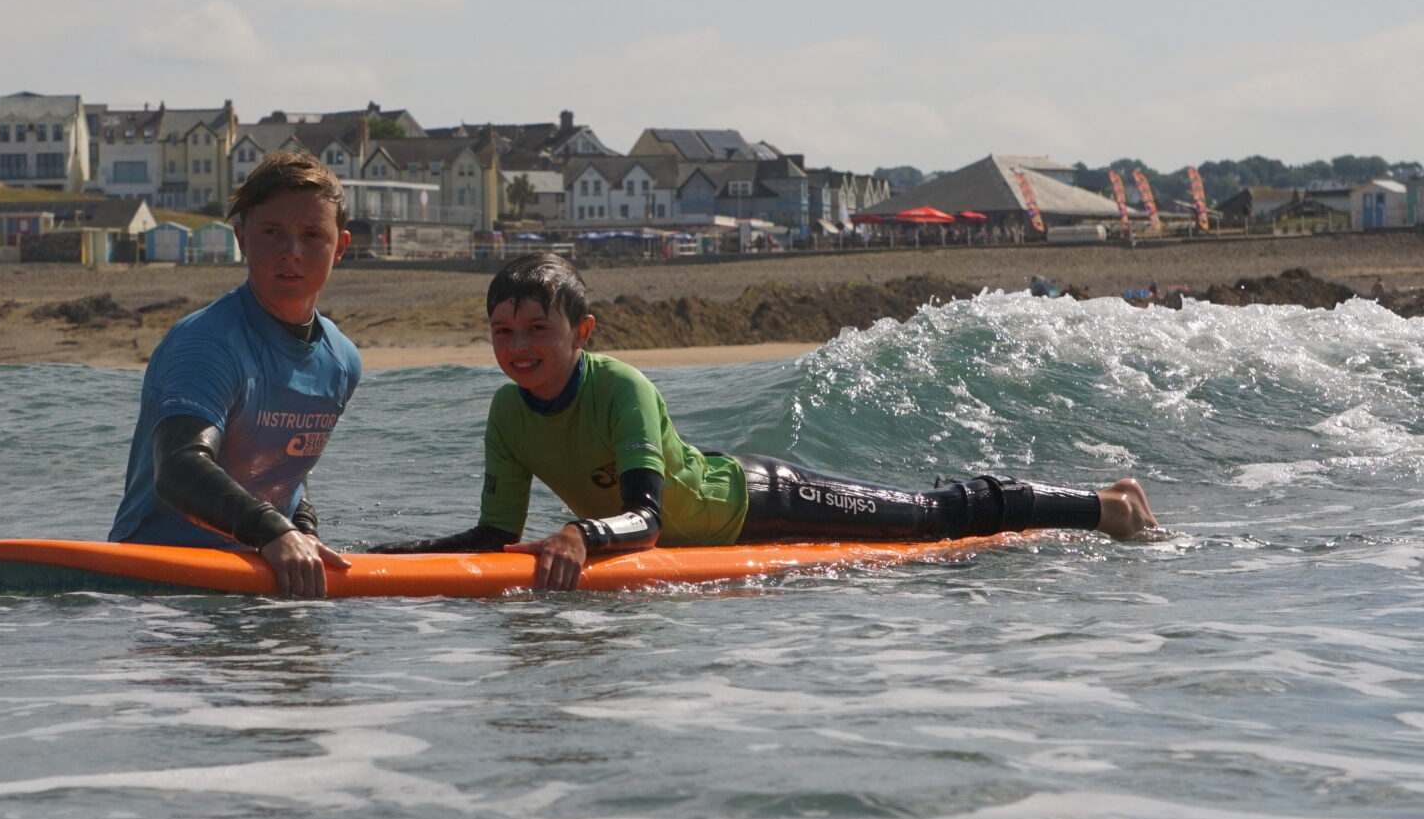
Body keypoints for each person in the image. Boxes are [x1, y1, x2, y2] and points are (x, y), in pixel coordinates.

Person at [372, 252, 1157, 590]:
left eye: (536, 330)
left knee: (934, 519)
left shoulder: (621, 389)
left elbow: (644, 518)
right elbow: (489, 537)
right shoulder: (508, 413)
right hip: (704, 530)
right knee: (930, 520)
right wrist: (363, 558)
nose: (517, 349)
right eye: (502, 333)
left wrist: (580, 534)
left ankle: (1106, 506)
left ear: (582, 331)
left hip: (760, 500)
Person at [108, 151, 362, 598]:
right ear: (242, 238)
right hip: (160, 589)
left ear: (340, 246)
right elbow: (179, 467)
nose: (292, 253)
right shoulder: (207, 343)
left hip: (260, 579)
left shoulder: (341, 361)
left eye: (312, 235)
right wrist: (276, 534)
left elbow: (284, 470)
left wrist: (302, 530)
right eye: (272, 233)